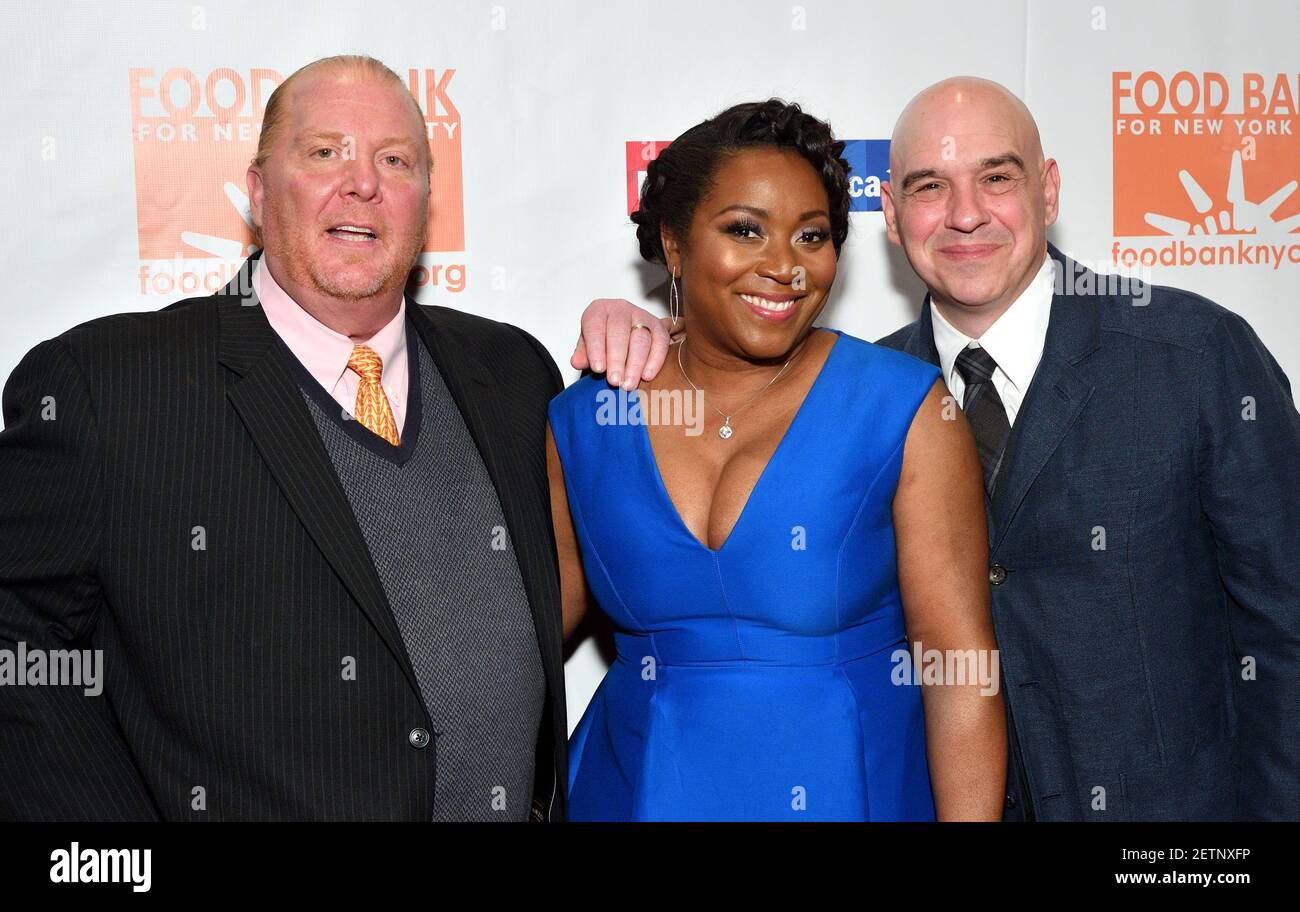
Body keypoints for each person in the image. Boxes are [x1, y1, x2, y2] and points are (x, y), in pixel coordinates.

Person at [583, 77, 1300, 821]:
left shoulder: (1191, 355)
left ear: (1048, 191)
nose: (965, 215)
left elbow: (1286, 627)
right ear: (889, 214)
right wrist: (650, 333)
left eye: (997, 178)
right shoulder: (861, 400)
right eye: (930, 186)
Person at [0, 54, 664, 822]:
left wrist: (677, 346)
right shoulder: (107, 384)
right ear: (256, 190)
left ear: (424, 200)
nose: (363, 183)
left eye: (395, 160)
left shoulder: (513, 371)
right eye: (324, 153)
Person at [548, 99, 1006, 821]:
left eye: (812, 236)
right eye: (745, 231)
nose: (785, 267)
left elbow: (960, 670)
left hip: (848, 792)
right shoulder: (585, 420)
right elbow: (521, 643)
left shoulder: (902, 407)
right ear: (673, 244)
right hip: (639, 791)